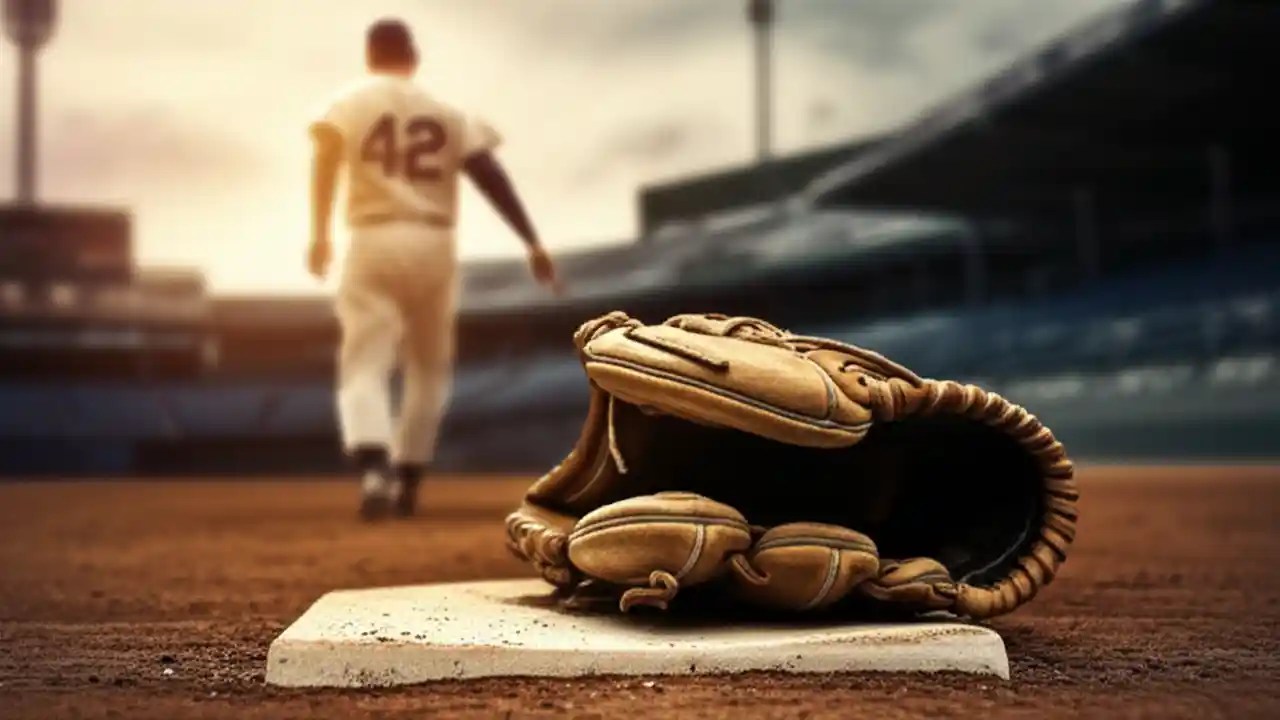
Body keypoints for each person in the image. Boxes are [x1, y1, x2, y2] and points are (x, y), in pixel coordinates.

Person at [307, 18, 560, 520]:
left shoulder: (349, 101)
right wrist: (531, 240)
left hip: (371, 235)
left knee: (364, 361)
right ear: (413, 57)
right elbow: (489, 174)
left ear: (369, 56)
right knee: (428, 368)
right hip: (434, 241)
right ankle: (408, 480)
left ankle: (374, 470)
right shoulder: (448, 111)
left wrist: (319, 234)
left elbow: (327, 157)